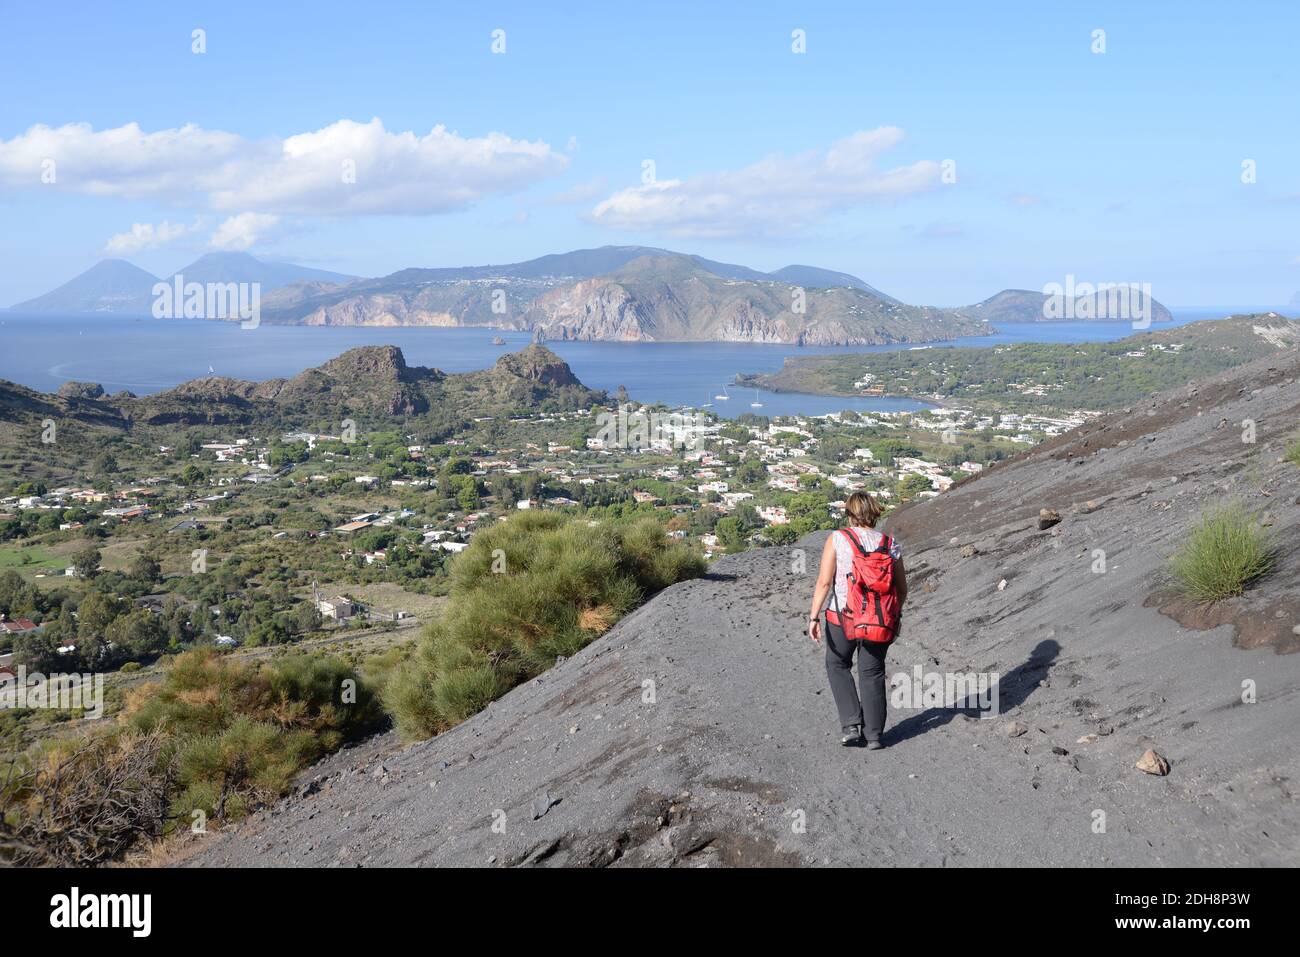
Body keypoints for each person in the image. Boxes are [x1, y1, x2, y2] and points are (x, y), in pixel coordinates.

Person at [806, 491, 907, 748]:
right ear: (874, 513)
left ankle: (851, 725)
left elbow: (824, 582)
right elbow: (901, 588)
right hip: (879, 620)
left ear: (850, 514)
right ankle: (874, 736)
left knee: (837, 664)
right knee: (872, 672)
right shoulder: (890, 544)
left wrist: (813, 616)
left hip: (842, 616)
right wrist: (892, 614)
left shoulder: (838, 539)